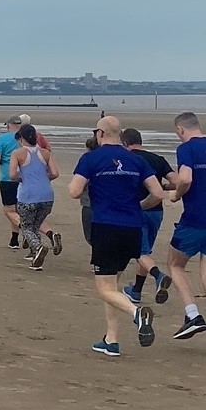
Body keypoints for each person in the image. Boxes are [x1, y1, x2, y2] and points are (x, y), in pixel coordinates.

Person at [68, 116, 162, 356]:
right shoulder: (135, 160)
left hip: (106, 226)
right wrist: (139, 206)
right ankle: (111, 340)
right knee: (113, 284)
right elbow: (158, 193)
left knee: (104, 288)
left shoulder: (91, 158)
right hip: (132, 227)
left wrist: (92, 183)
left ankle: (136, 313)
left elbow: (74, 191)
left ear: (100, 133)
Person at [166, 110, 206, 340]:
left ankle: (193, 315)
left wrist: (176, 195)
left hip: (195, 218)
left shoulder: (186, 148)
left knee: (175, 264)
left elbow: (185, 178)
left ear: (181, 130)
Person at [119, 128, 172, 308]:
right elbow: (178, 180)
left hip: (135, 209)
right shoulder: (157, 159)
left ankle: (159, 276)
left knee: (140, 252)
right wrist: (162, 187)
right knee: (145, 252)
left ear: (125, 144)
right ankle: (136, 291)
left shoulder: (126, 160)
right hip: (156, 211)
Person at [9, 124, 60, 265]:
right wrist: (43, 179)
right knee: (36, 225)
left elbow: (12, 174)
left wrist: (23, 178)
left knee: (26, 227)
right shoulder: (46, 153)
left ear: (22, 138)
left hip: (28, 195)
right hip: (47, 195)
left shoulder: (17, 153)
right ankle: (34, 253)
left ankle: (38, 247)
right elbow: (55, 173)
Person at [0, 116, 24, 248]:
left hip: (7, 178)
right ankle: (14, 239)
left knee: (9, 210)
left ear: (8, 125)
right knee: (18, 209)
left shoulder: (2, 138)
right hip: (23, 178)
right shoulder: (25, 139)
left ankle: (27, 230)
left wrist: (3, 159)